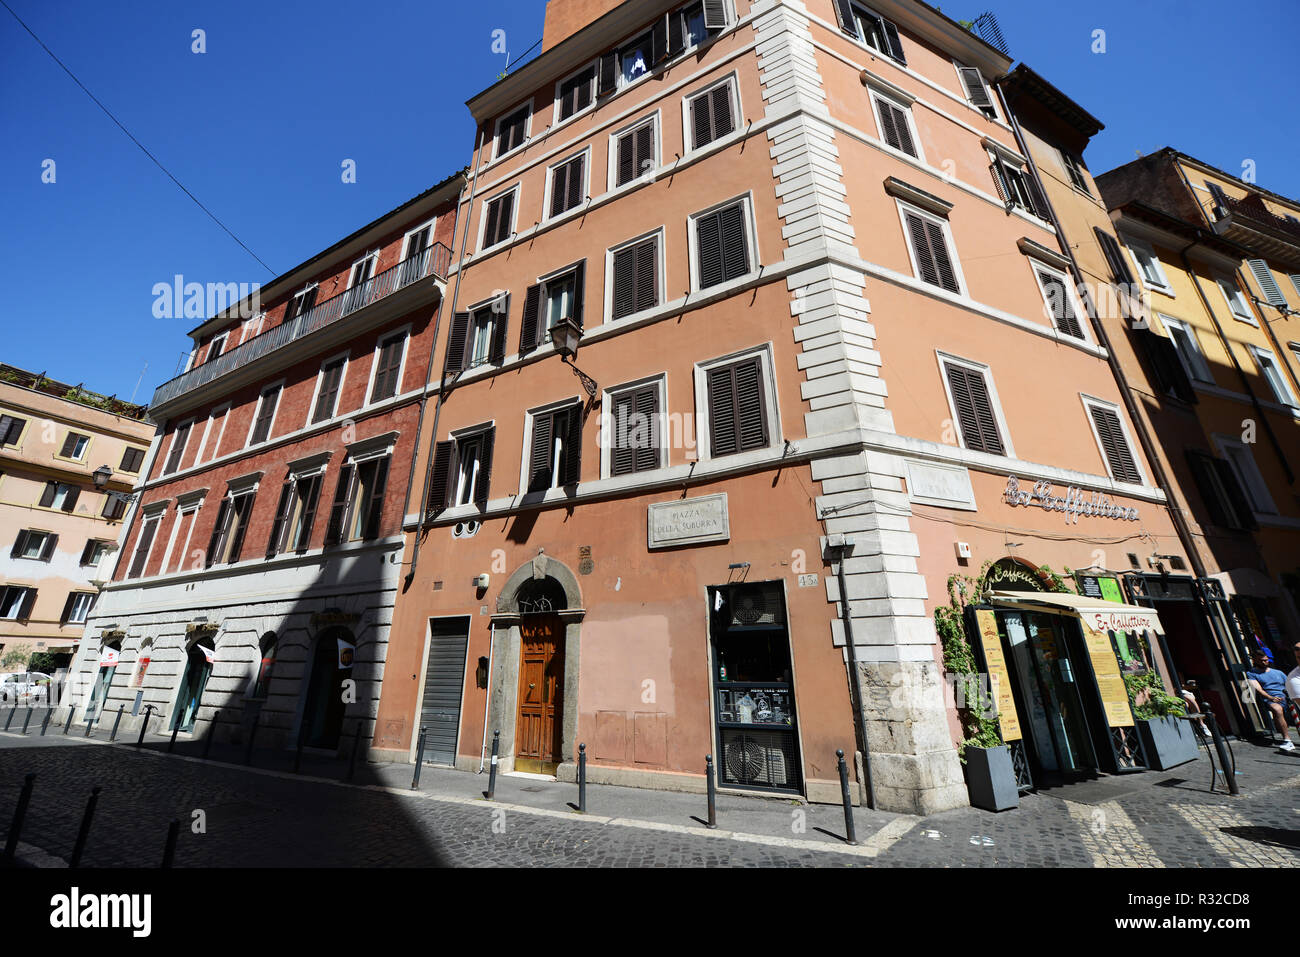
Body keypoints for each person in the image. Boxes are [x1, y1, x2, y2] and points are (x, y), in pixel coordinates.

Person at [1246, 649, 1295, 752]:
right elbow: (1258, 689)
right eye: (1261, 660)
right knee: (1277, 710)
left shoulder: (1278, 672)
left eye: (1266, 660)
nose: (1265, 662)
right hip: (1270, 698)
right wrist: (1270, 697)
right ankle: (1287, 740)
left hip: (1286, 696)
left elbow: (1290, 684)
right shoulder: (1252, 673)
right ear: (1255, 660)